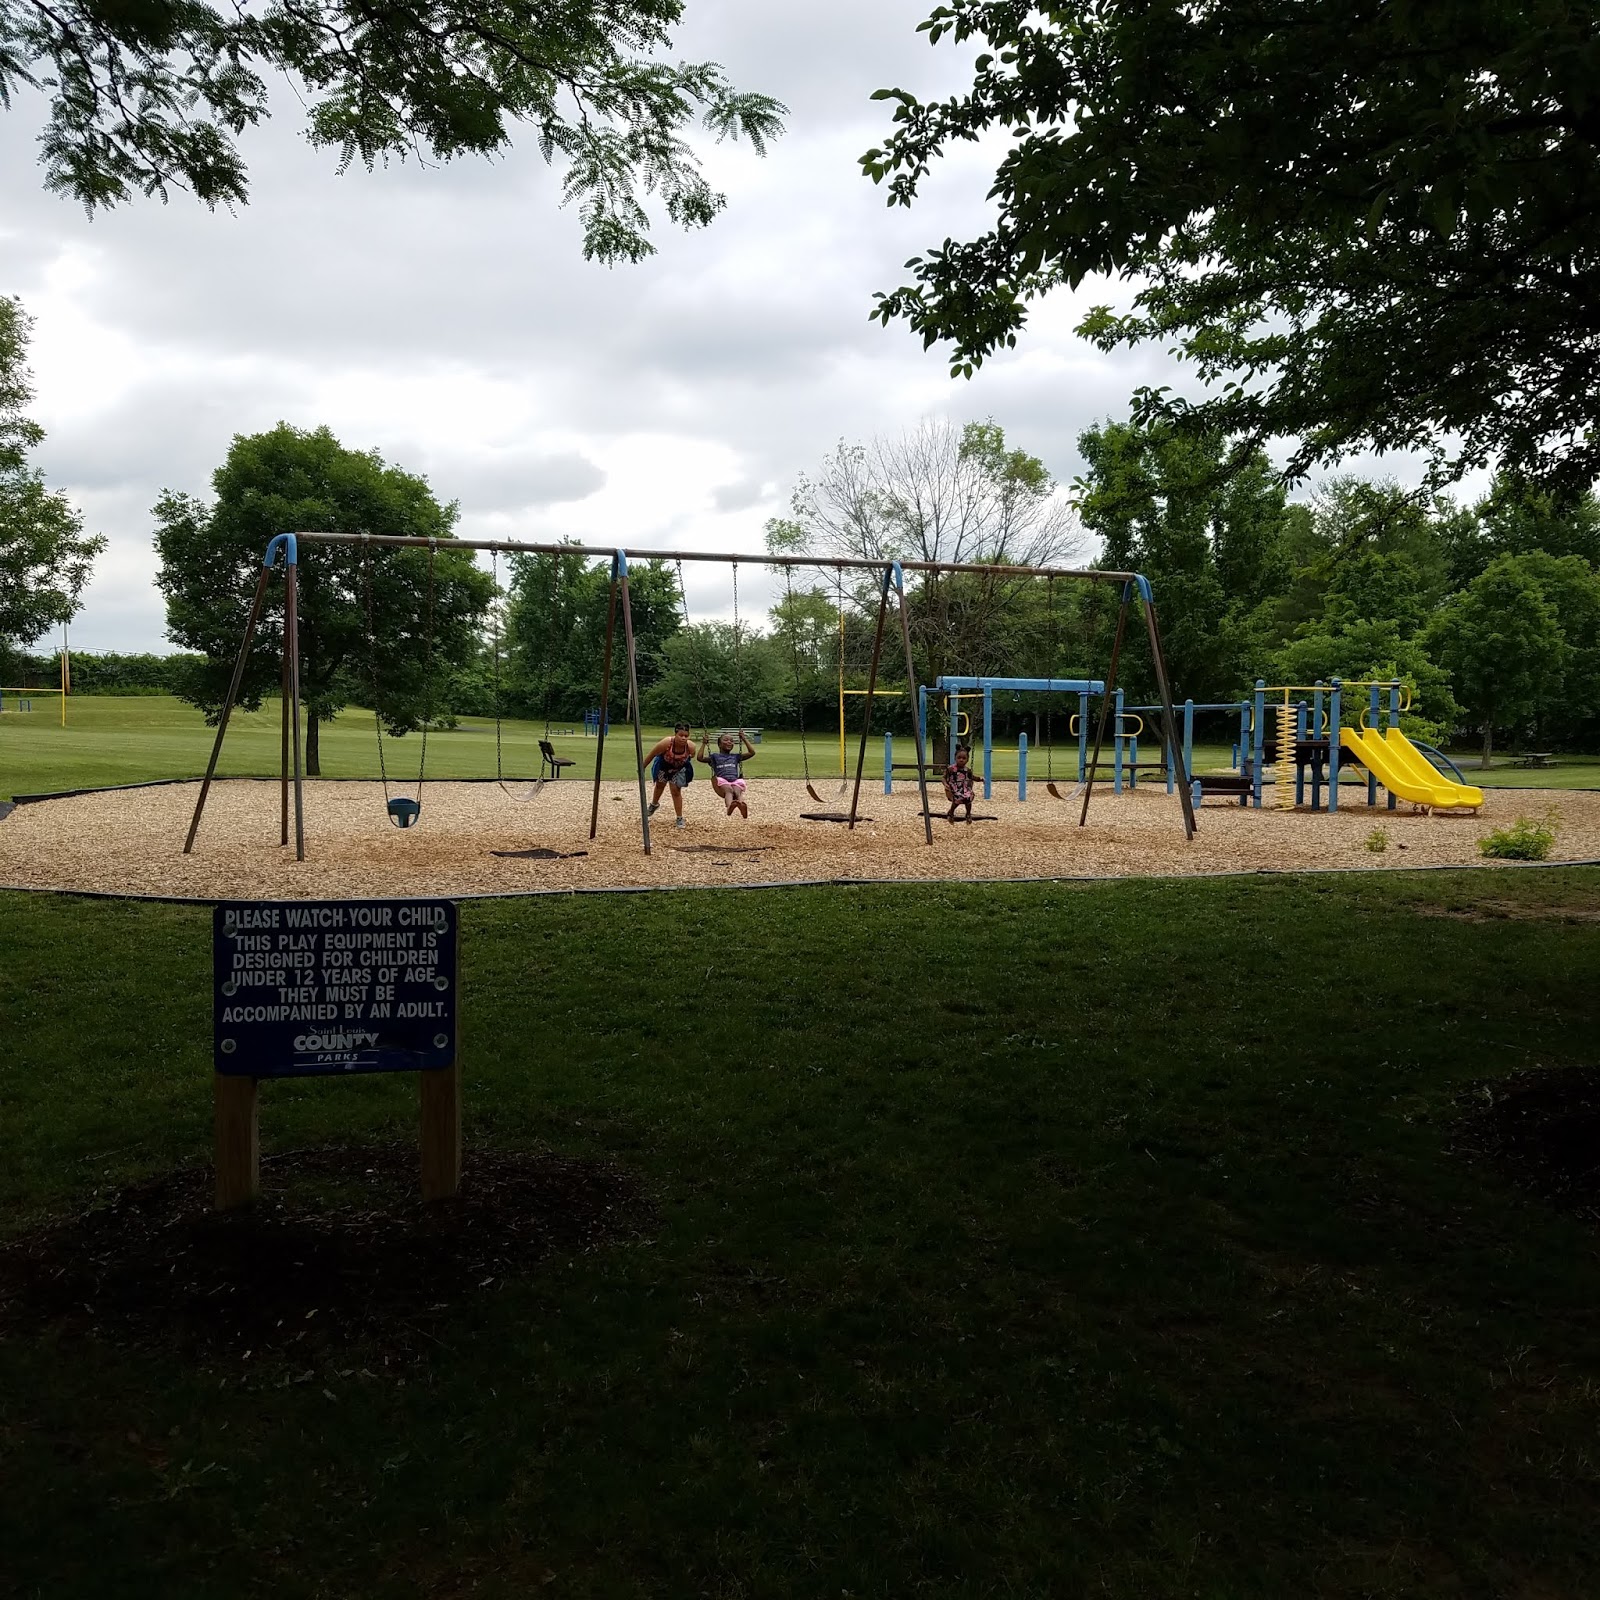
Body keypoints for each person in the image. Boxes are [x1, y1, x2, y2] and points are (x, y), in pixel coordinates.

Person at [644, 724, 696, 828]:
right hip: (664, 765)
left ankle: (679, 817)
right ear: (675, 734)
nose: (683, 738)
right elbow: (652, 754)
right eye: (681, 735)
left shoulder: (690, 746)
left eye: (686, 736)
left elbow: (691, 757)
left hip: (678, 769)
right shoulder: (667, 743)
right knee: (660, 785)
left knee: (676, 791)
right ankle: (654, 804)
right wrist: (642, 767)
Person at [699, 729, 756, 817]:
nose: (729, 742)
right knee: (728, 790)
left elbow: (752, 752)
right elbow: (700, 758)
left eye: (731, 741)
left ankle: (742, 806)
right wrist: (704, 743)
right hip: (722, 781)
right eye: (726, 740)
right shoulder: (715, 757)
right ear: (719, 744)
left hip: (734, 781)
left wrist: (744, 739)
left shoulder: (736, 756)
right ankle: (730, 807)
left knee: (737, 791)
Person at [943, 744, 976, 823]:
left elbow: (972, 777)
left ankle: (968, 814)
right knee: (958, 797)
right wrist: (945, 784)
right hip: (953, 789)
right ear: (955, 758)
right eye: (959, 758)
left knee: (968, 797)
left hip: (964, 788)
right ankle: (951, 813)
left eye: (964, 758)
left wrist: (981, 779)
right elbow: (944, 778)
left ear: (967, 760)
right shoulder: (951, 769)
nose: (961, 760)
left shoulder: (967, 770)